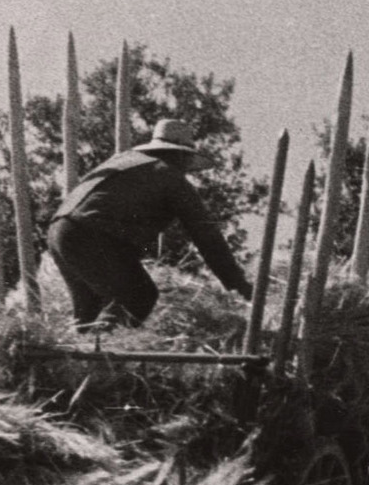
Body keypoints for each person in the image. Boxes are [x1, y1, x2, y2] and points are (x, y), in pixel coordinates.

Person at [45, 119, 253, 331]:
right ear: (181, 155)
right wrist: (238, 285)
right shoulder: (170, 176)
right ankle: (105, 352)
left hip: (59, 231)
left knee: (90, 308)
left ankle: (78, 358)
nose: (187, 170)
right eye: (188, 161)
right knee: (139, 294)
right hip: (91, 234)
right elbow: (206, 236)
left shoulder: (126, 162)